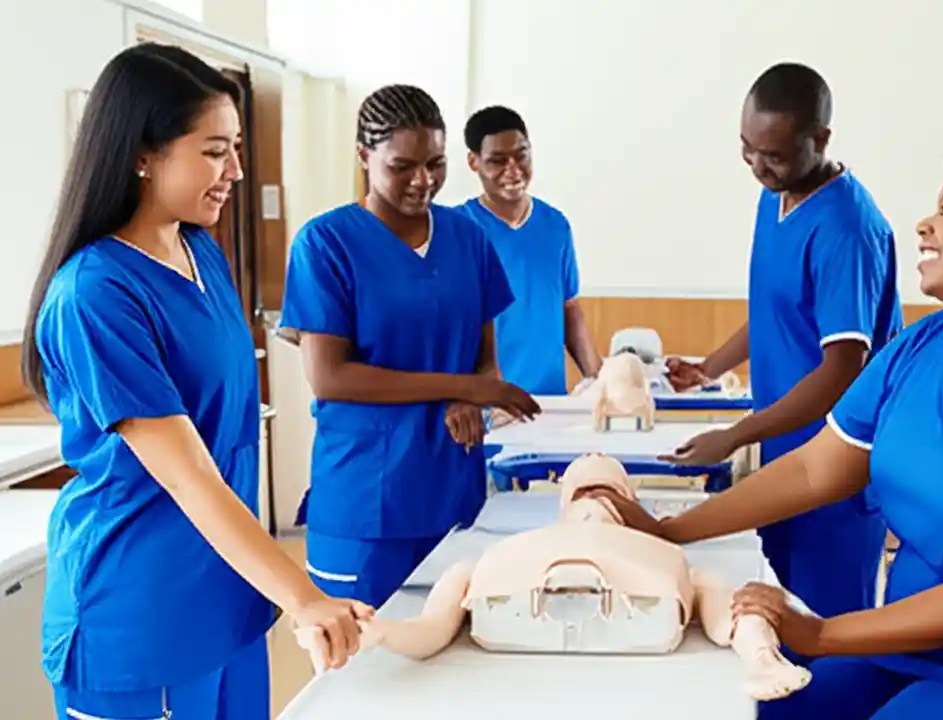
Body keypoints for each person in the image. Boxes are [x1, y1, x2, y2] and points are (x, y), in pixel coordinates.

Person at [591, 95, 943, 719]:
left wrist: (822, 634)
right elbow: (815, 470)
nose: (924, 224)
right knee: (755, 709)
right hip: (912, 645)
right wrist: (668, 530)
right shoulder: (921, 346)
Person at [20, 43, 370, 720]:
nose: (236, 170)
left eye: (236, 147)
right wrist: (304, 595)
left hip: (228, 602)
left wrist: (282, 593)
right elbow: (186, 474)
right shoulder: (96, 293)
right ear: (142, 154)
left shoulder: (200, 252)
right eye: (214, 151)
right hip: (140, 616)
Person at [279, 85, 541, 610]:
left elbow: (482, 354)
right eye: (403, 166)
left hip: (451, 490)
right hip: (365, 501)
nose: (423, 181)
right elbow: (331, 377)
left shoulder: (468, 238)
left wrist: (471, 397)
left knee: (455, 664)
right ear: (363, 156)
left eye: (436, 164)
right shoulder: (326, 244)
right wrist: (464, 386)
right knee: (359, 670)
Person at [663, 62, 902, 619]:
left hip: (835, 465)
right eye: (747, 148)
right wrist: (709, 368)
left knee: (826, 625)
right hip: (784, 454)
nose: (757, 166)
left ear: (820, 139)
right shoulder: (776, 198)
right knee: (776, 618)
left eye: (774, 154)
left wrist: (735, 434)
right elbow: (779, 312)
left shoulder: (847, 228)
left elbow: (842, 367)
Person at [457, 105, 601, 395]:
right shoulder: (457, 229)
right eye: (497, 160)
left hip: (548, 405)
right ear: (474, 162)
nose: (513, 170)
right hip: (486, 408)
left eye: (521, 155)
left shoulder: (555, 225)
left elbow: (569, 308)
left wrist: (599, 380)